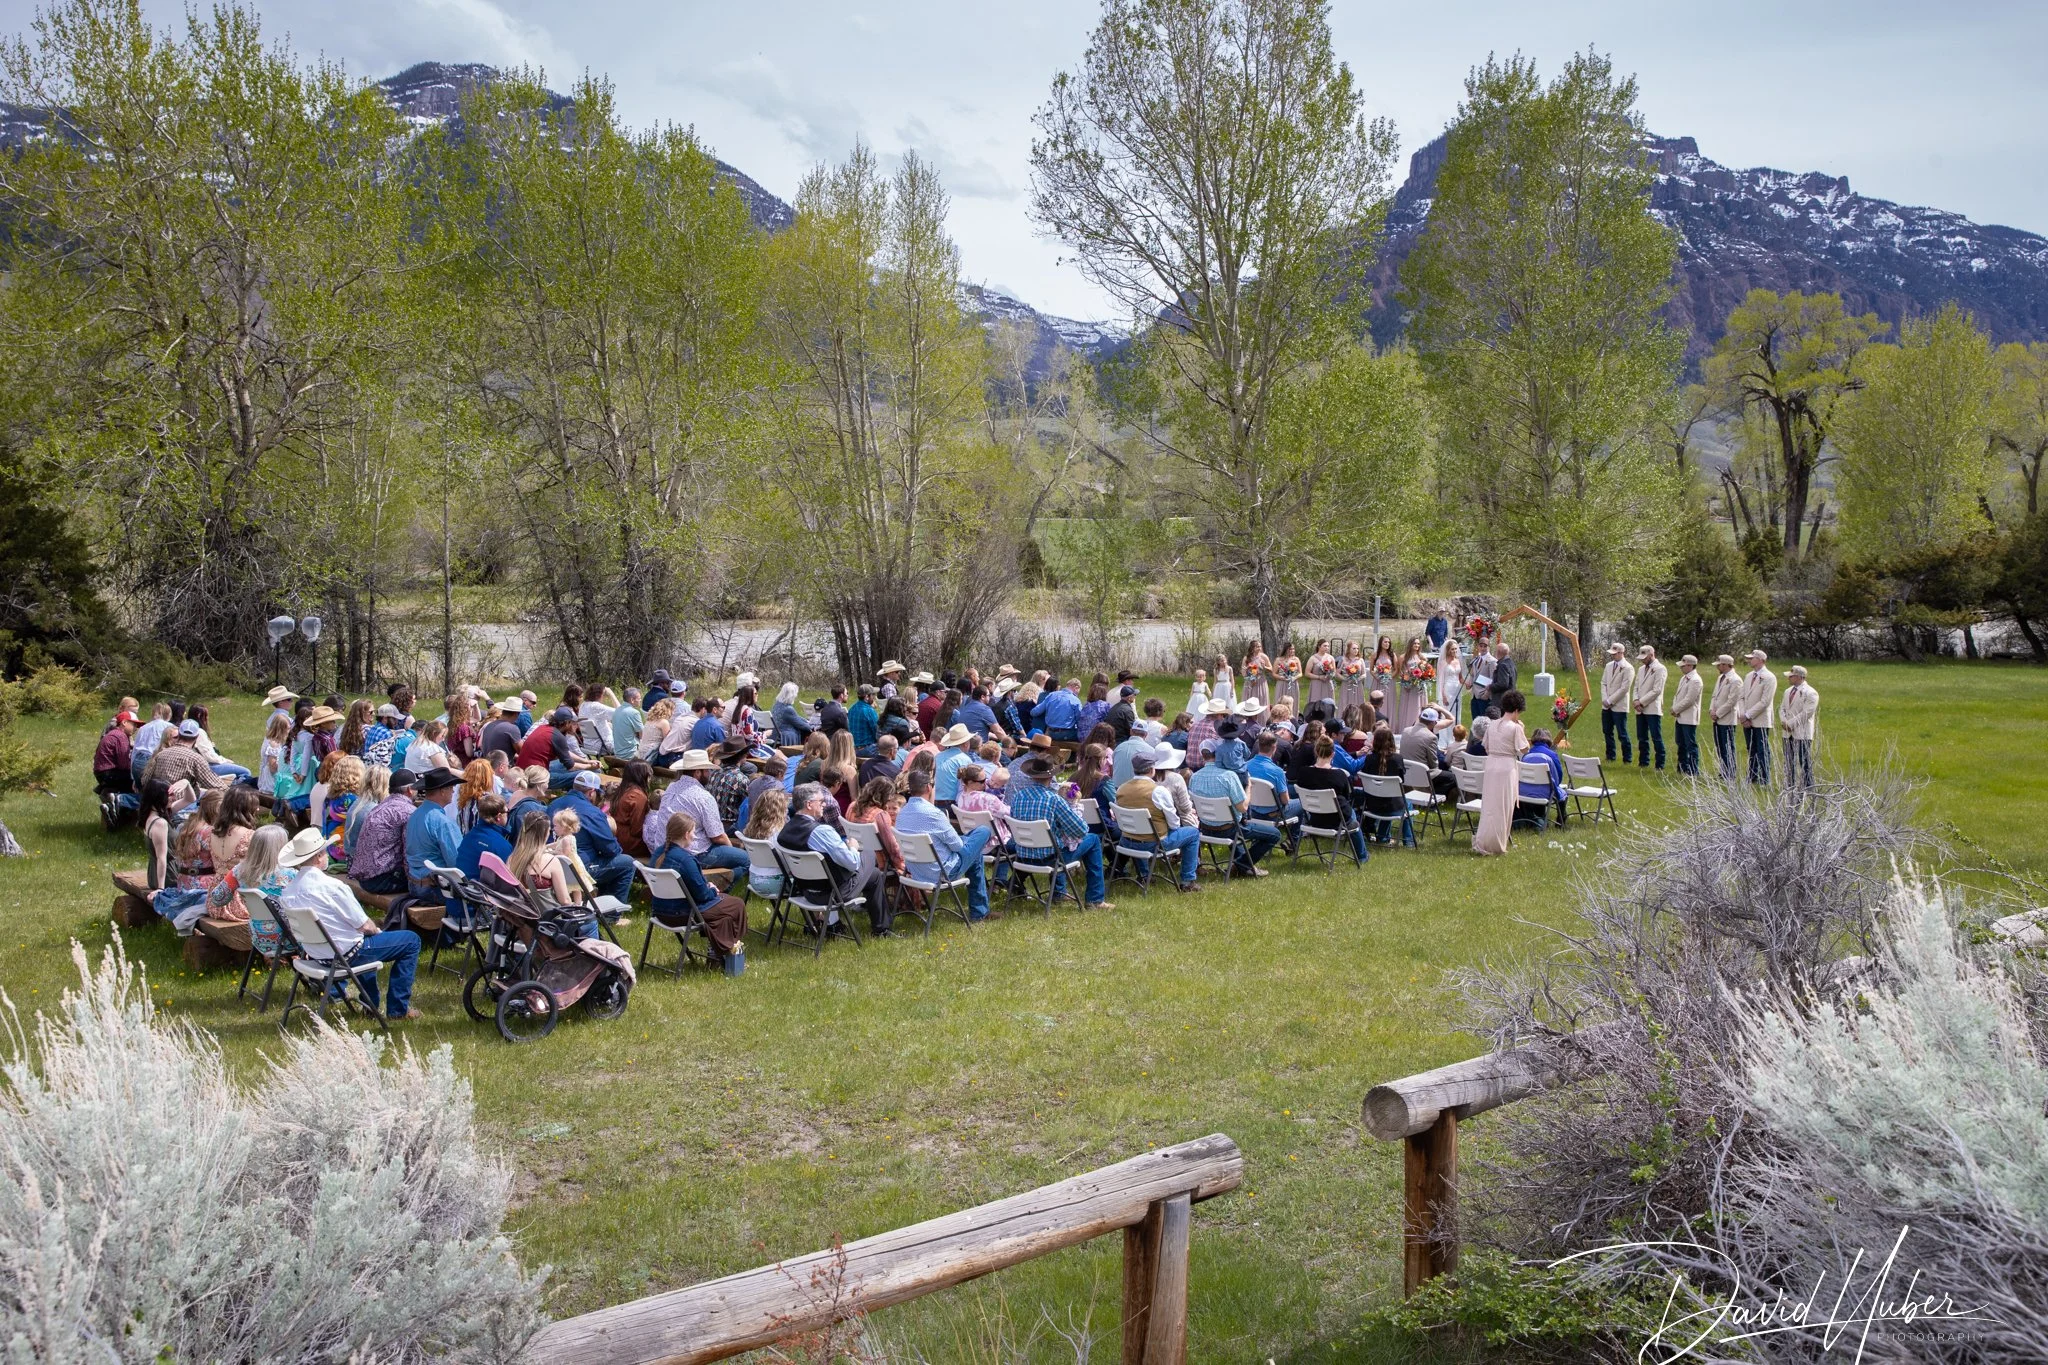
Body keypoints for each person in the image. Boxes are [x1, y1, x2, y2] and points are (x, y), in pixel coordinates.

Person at [276, 826, 422, 1020]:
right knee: (410, 941)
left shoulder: (288, 892)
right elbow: (364, 925)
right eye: (325, 852)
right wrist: (376, 930)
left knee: (362, 942)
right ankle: (398, 1010)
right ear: (319, 857)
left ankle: (370, 1005)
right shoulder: (332, 887)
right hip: (346, 954)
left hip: (319, 955)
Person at [780, 782, 892, 935]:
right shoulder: (822, 832)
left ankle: (880, 927)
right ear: (809, 804)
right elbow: (853, 863)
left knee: (874, 875)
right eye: (821, 801)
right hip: (834, 893)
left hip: (806, 891)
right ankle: (881, 930)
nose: (825, 804)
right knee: (868, 852)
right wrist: (853, 847)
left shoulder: (785, 831)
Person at [1006, 756, 1114, 909]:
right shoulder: (1054, 800)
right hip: (1050, 858)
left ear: (1032, 775)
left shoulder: (1018, 797)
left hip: (1023, 855)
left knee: (1058, 842)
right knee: (1093, 839)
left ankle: (1059, 892)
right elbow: (1081, 830)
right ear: (1051, 777)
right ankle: (1095, 899)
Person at [646, 811, 750, 964]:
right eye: (694, 832)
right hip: (682, 913)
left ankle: (718, 956)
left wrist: (707, 888)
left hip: (660, 911)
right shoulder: (685, 860)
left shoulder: (659, 853)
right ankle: (729, 954)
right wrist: (712, 889)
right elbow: (703, 895)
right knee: (736, 905)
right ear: (686, 834)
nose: (695, 836)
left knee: (724, 916)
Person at [896, 768, 996, 920]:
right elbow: (958, 847)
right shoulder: (934, 814)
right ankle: (979, 913)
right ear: (928, 787)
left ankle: (980, 912)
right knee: (983, 831)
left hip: (916, 871)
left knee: (974, 852)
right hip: (941, 872)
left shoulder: (902, 813)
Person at [643, 749, 751, 887]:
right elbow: (717, 837)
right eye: (707, 770)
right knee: (746, 859)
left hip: (663, 848)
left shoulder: (671, 788)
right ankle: (714, 886)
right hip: (692, 852)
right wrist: (731, 850)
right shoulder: (703, 797)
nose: (710, 774)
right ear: (698, 772)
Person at [1114, 750, 1201, 892]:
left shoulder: (1121, 789)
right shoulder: (1158, 791)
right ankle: (1187, 880)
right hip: (1153, 844)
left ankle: (1144, 875)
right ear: (1151, 770)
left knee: (1140, 831)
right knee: (1193, 833)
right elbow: (1174, 824)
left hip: (1127, 841)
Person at [1188, 742, 1278, 875]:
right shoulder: (1228, 776)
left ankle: (1241, 866)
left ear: (1202, 755)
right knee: (1275, 834)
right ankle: (1242, 865)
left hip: (1206, 828)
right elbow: (1243, 808)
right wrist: (1248, 787)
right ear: (1219, 754)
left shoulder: (1194, 777)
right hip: (1229, 829)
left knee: (1237, 827)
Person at [547, 770, 636, 903]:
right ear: (591, 792)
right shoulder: (593, 813)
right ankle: (611, 910)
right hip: (578, 868)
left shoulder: (553, 804)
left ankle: (598, 901)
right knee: (627, 863)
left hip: (552, 862)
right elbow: (611, 849)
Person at [1294, 737, 1368, 863]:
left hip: (1313, 818)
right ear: (1333, 754)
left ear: (1316, 751)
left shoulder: (1303, 772)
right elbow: (1347, 797)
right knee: (1352, 816)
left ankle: (1362, 855)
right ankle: (1362, 856)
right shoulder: (1339, 775)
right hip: (1337, 821)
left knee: (1348, 812)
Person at [1473, 690, 1528, 856]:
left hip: (1491, 765)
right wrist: (1522, 729)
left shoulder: (1492, 724)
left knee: (1490, 805)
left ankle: (1484, 840)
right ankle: (1496, 843)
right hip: (1506, 767)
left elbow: (1486, 747)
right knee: (1503, 806)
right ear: (1517, 710)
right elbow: (1524, 750)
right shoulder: (1515, 728)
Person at [404, 767, 466, 903]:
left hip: (414, 884)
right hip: (435, 889)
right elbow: (457, 862)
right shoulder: (443, 822)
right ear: (442, 791)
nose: (453, 791)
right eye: (451, 788)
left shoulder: (415, 814)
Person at [351, 767, 417, 895]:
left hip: (364, 878)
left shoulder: (379, 806)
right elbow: (409, 852)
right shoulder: (408, 811)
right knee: (432, 884)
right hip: (381, 880)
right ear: (410, 789)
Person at [1737, 649, 1776, 785]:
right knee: (1751, 748)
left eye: (1752, 658)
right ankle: (1752, 776)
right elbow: (1741, 696)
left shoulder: (1769, 677)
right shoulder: (1749, 676)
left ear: (1760, 660)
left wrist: (1748, 715)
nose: (1749, 660)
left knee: (1762, 749)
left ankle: (1765, 778)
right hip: (1746, 719)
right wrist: (1743, 715)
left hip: (1761, 719)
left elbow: (1765, 701)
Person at [456, 793, 513, 882]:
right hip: (479, 889)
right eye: (507, 811)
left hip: (462, 886)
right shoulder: (501, 846)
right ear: (499, 817)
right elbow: (509, 879)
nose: (508, 815)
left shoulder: (468, 837)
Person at [1518, 728, 1568, 829]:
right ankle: (1560, 821)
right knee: (1563, 793)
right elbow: (1558, 778)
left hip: (1524, 792)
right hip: (1545, 792)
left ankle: (1536, 819)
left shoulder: (1526, 756)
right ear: (1549, 740)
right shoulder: (1552, 755)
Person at [1780, 665, 1819, 788]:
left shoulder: (1811, 693)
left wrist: (1791, 724)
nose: (1789, 678)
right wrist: (1784, 721)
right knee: (1788, 760)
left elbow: (1807, 713)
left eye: (1791, 676)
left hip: (1802, 732)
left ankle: (1808, 786)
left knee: (1804, 761)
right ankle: (1789, 785)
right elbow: (1782, 708)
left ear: (1798, 677)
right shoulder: (1787, 691)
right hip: (1787, 732)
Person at [1631, 644, 1668, 771]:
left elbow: (1657, 690)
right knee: (1641, 737)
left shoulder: (1660, 669)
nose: (1643, 660)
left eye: (1645, 658)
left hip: (1652, 707)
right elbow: (1636, 686)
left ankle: (1660, 764)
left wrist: (1641, 702)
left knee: (1656, 737)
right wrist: (1635, 700)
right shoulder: (1641, 669)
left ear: (1652, 655)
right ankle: (1643, 761)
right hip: (1639, 708)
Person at [1599, 642, 1635, 765]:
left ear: (1621, 653)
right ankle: (1610, 755)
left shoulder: (1628, 668)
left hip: (1619, 705)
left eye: (1615, 654)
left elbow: (1624, 688)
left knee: (1622, 733)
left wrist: (1611, 700)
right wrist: (1605, 699)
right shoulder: (1609, 666)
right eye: (1612, 654)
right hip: (1606, 704)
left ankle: (1627, 758)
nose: (1612, 656)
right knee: (1607, 731)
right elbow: (1603, 683)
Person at [1670, 655, 1704, 777]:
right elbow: (1678, 696)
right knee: (1680, 742)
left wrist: (1676, 709)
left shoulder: (1695, 680)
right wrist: (1675, 708)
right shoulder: (1684, 678)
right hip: (1680, 716)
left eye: (1683, 666)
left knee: (1690, 744)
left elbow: (1689, 699)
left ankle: (1693, 770)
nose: (1681, 668)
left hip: (1689, 717)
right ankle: (1682, 767)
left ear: (1690, 665)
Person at [1708, 654, 1741, 777]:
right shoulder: (1721, 678)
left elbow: (1732, 701)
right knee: (1720, 746)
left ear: (1726, 665)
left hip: (1727, 718)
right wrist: (1711, 710)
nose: (1718, 667)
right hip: (1717, 717)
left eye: (1720, 665)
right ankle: (1723, 770)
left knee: (1727, 746)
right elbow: (1714, 695)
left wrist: (1718, 713)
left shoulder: (1735, 680)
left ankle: (1730, 772)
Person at [94, 710, 138, 795]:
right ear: (124, 722)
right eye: (134, 725)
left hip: (101, 772)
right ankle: (119, 799)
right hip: (108, 773)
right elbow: (124, 765)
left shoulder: (114, 733)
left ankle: (107, 791)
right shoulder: (120, 736)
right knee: (138, 780)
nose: (136, 728)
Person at [933, 724, 978, 806]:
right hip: (952, 804)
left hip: (934, 801)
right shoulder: (965, 760)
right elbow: (971, 785)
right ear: (966, 744)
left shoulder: (937, 756)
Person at [1033, 678, 1083, 742]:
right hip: (1066, 735)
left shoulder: (1051, 695)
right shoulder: (1076, 700)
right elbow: (1080, 720)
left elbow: (1034, 712)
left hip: (1050, 733)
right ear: (1076, 687)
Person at [256, 711, 292, 800]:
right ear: (281, 729)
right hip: (271, 780)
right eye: (288, 729)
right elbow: (273, 767)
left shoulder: (275, 741)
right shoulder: (274, 744)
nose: (289, 731)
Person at [1393, 638, 1427, 732]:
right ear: (1410, 644)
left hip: (1418, 686)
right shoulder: (1403, 657)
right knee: (1408, 707)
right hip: (1408, 685)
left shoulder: (1422, 657)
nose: (1417, 645)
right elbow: (1400, 672)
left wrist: (1422, 676)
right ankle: (1406, 727)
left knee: (1418, 706)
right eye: (1415, 643)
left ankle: (1419, 728)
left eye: (1418, 644)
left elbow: (1425, 670)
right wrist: (1406, 680)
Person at [610, 687, 645, 758]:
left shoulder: (617, 710)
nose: (640, 700)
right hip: (630, 753)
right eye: (639, 698)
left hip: (618, 752)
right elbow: (642, 733)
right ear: (632, 700)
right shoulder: (634, 713)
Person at [848, 684, 881, 754]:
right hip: (868, 749)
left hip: (853, 748)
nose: (874, 697)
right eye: (873, 695)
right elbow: (877, 732)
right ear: (867, 697)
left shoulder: (851, 709)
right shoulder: (869, 711)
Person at [1337, 640, 1367, 714]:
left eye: (1357, 648)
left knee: (1358, 703)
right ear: (1348, 649)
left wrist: (1357, 679)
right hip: (1346, 685)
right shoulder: (1343, 660)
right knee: (1345, 702)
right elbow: (1337, 673)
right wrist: (1345, 679)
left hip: (1357, 685)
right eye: (1354, 648)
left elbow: (1364, 674)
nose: (1356, 650)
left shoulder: (1360, 660)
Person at [1437, 639, 1464, 718]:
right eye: (1452, 649)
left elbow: (1460, 678)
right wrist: (1443, 696)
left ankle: (1456, 725)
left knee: (1457, 710)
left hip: (1457, 689)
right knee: (1448, 710)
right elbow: (1440, 681)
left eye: (1456, 649)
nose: (1455, 651)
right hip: (1447, 689)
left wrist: (1467, 683)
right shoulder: (1443, 663)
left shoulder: (1458, 661)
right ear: (1448, 650)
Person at [1243, 640, 1271, 707]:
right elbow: (1243, 671)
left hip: (1260, 681)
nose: (1259, 648)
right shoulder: (1246, 658)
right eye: (1257, 647)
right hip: (1250, 681)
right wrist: (1250, 678)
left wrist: (1264, 667)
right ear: (1252, 648)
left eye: (1260, 646)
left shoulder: (1264, 656)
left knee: (1261, 698)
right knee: (1250, 700)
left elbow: (1271, 669)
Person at [1273, 643, 1302, 710]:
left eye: (1293, 649)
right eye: (1290, 649)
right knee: (1280, 701)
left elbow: (1300, 673)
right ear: (1285, 649)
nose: (1292, 650)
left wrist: (1294, 677)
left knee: (1293, 701)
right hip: (1282, 684)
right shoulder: (1278, 660)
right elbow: (1274, 673)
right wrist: (1281, 677)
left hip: (1293, 684)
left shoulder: (1296, 659)